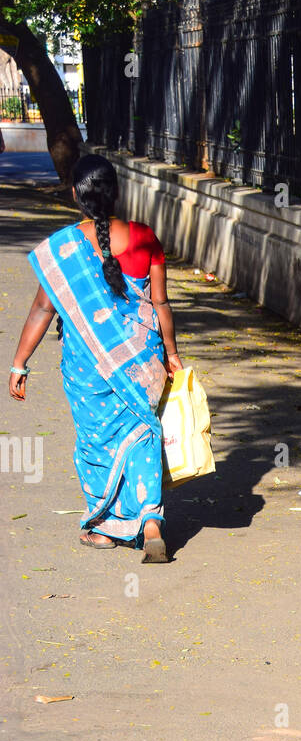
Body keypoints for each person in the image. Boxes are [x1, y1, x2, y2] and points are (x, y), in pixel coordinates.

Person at [8, 153, 182, 561]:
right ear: (117, 192)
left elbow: (41, 310)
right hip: (143, 360)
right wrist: (172, 354)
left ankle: (105, 529)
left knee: (97, 441)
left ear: (75, 195)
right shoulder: (144, 236)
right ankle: (150, 520)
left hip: (88, 367)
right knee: (142, 432)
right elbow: (160, 303)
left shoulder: (64, 250)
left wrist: (19, 364)